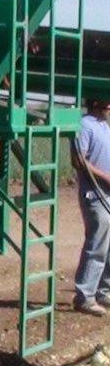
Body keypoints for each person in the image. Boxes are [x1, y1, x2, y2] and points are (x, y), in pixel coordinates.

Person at [72, 97, 110, 315]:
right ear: (94, 103)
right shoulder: (84, 124)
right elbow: (77, 160)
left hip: (107, 194)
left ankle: (103, 291)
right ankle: (84, 296)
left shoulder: (103, 125)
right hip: (94, 194)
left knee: (108, 245)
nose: (109, 107)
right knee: (97, 244)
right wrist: (105, 176)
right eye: (106, 103)